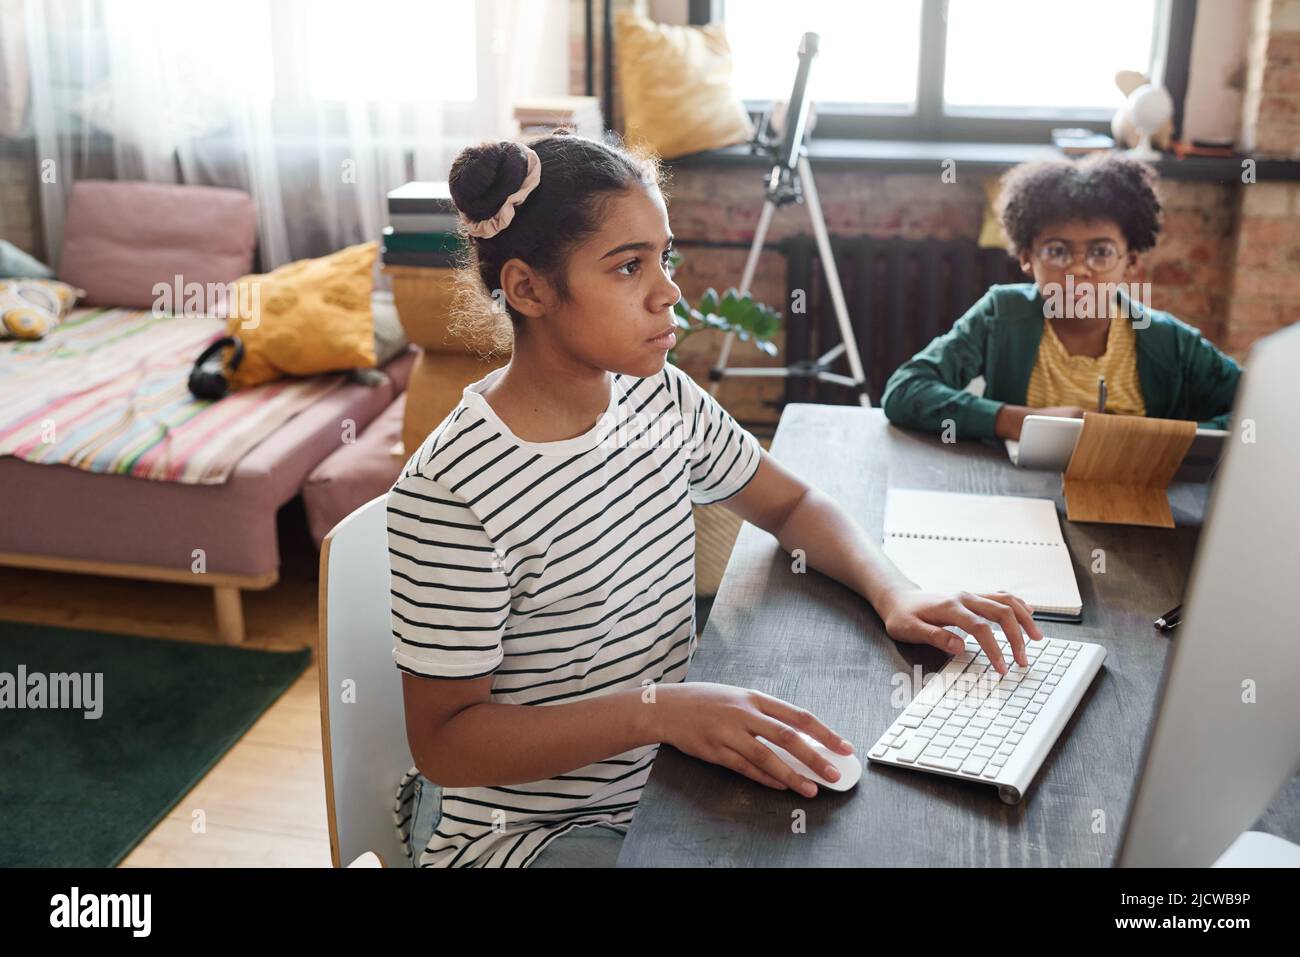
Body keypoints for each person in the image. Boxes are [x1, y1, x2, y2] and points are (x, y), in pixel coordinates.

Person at [389, 131, 1042, 867]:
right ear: (529, 288)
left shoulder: (656, 394)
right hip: (526, 832)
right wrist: (659, 711)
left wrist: (896, 591)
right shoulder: (455, 490)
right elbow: (446, 741)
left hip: (661, 772)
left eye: (664, 257)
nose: (669, 290)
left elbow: (791, 507)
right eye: (629, 266)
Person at [881, 153, 1241, 441]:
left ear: (1129, 261)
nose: (1079, 270)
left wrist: (1164, 440)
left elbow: (1260, 412)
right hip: (1017, 498)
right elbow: (905, 391)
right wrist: (1018, 421)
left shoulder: (1168, 341)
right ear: (1026, 257)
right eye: (1057, 251)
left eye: (1100, 253)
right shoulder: (1001, 316)